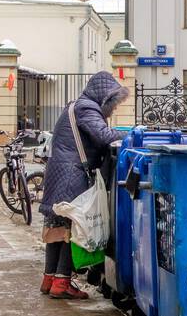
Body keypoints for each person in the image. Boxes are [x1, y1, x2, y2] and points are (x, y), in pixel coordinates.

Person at [39, 71, 129, 298]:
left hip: (60, 173)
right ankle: (62, 283)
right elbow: (104, 135)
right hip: (72, 175)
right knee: (74, 228)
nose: (114, 109)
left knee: (58, 228)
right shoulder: (87, 108)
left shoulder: (75, 105)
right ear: (106, 98)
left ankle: (50, 279)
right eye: (114, 104)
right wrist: (135, 135)